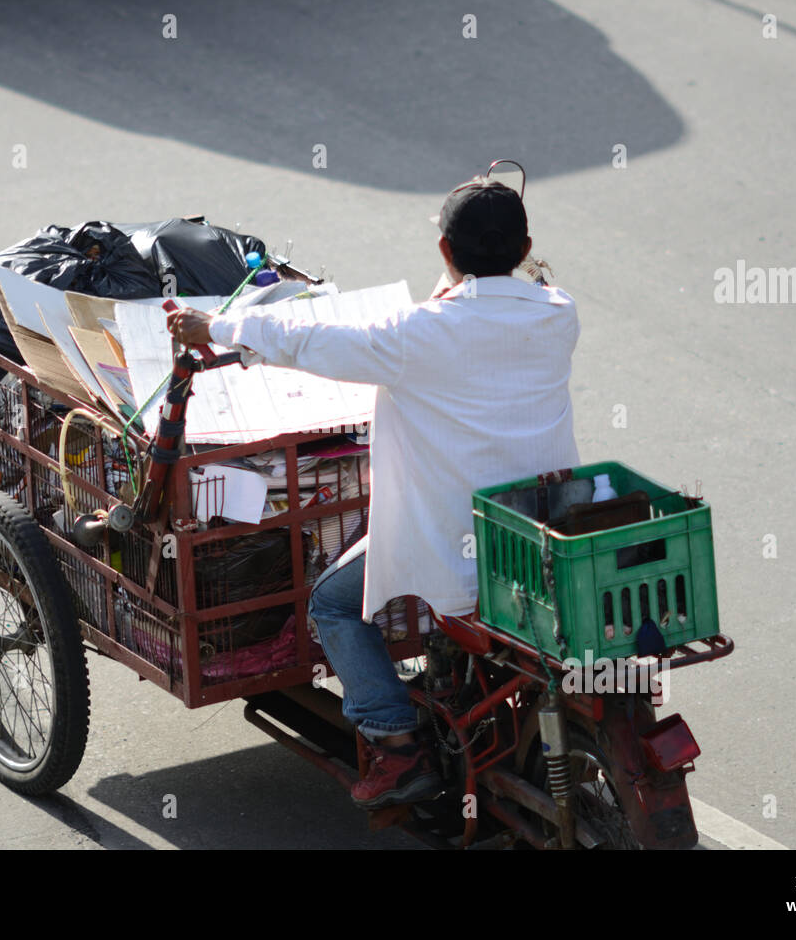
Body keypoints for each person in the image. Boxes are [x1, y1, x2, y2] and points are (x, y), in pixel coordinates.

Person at [166, 174, 580, 808]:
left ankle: (395, 742)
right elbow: (487, 321)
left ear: (445, 251)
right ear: (525, 249)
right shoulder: (558, 312)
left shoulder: (416, 334)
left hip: (453, 541)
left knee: (332, 604)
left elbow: (310, 340)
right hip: (540, 530)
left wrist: (215, 329)